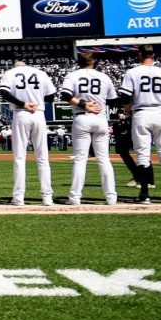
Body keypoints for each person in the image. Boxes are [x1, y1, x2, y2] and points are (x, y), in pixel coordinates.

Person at [116, 45, 161, 204]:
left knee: (143, 155)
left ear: (139, 55)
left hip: (141, 113)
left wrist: (128, 110)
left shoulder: (133, 72)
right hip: (160, 113)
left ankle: (145, 194)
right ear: (154, 55)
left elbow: (124, 96)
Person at [59, 52, 118, 205]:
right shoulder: (104, 77)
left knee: (80, 160)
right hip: (100, 117)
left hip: (82, 116)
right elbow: (113, 100)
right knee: (104, 159)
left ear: (79, 62)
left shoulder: (72, 75)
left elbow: (65, 95)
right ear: (94, 62)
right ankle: (111, 198)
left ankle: (75, 198)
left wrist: (84, 104)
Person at [0, 60, 57, 206]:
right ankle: (47, 197)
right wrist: (37, 102)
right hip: (38, 113)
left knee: (19, 158)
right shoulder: (41, 73)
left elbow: (3, 91)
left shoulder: (10, 73)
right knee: (42, 157)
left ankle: (18, 198)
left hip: (21, 113)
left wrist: (24, 103)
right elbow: (51, 96)